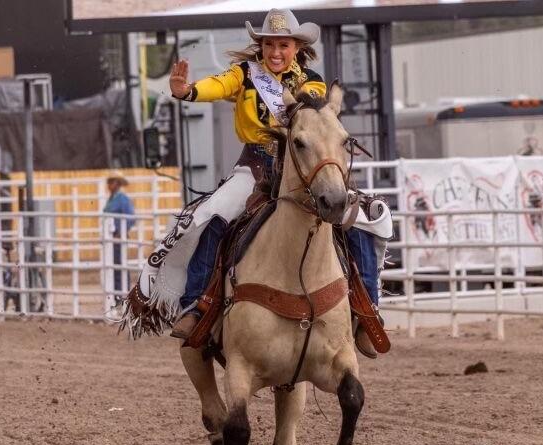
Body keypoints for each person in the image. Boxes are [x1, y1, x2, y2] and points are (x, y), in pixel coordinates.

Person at [129, 8, 392, 358]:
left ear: (297, 46)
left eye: (283, 45)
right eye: (269, 45)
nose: (276, 52)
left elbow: (309, 109)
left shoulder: (312, 82)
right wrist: (188, 91)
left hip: (303, 167)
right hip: (254, 168)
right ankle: (198, 306)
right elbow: (218, 85)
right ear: (262, 46)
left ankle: (366, 309)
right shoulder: (245, 74)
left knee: (366, 217)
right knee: (210, 216)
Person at [103, 175, 136, 295]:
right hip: (111, 236)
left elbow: (131, 217)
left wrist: (121, 232)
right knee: (115, 264)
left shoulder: (121, 199)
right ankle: (117, 293)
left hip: (117, 236)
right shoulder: (112, 198)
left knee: (119, 264)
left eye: (111, 183)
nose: (109, 186)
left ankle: (122, 292)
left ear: (116, 184)